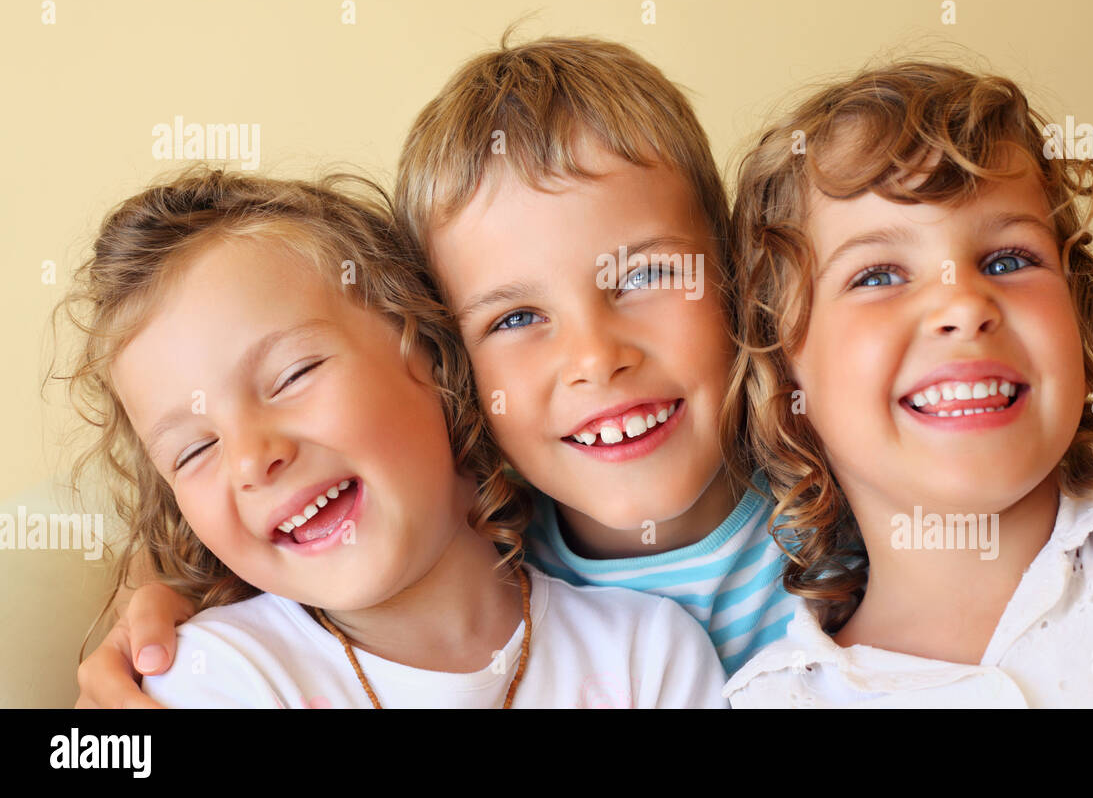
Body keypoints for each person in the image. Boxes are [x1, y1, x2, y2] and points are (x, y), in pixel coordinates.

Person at [721, 61, 1093, 707]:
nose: (964, 304)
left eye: (1008, 260)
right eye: (878, 275)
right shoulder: (778, 696)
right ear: (784, 369)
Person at [59, 166, 725, 707]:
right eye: (195, 450)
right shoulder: (217, 677)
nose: (253, 461)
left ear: (431, 349)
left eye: (293, 375)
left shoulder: (648, 654)